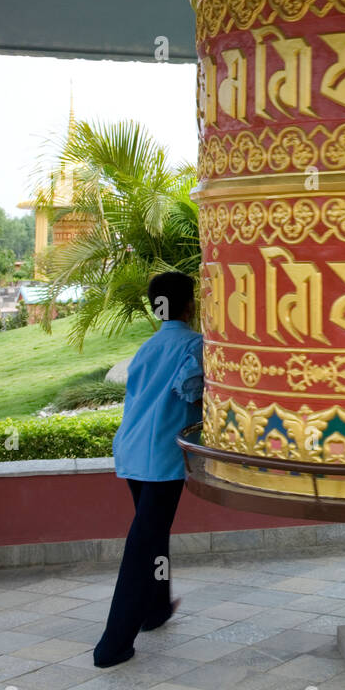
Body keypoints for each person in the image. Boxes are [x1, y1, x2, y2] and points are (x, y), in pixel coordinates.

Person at [93, 271, 204, 668]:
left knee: (152, 534)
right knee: (143, 544)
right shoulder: (196, 346)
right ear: (190, 305)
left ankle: (155, 610)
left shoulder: (148, 346)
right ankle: (112, 645)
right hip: (161, 457)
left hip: (132, 452)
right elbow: (194, 392)